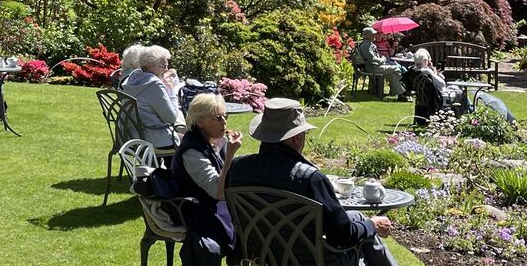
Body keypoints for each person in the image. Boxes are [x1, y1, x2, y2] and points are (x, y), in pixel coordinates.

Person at [228, 98, 397, 266]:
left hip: (265, 256)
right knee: (366, 230)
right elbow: (342, 237)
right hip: (316, 260)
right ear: (296, 138)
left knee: (357, 217)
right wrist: (372, 225)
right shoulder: (309, 178)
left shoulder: (237, 168)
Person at [172, 93, 241, 266]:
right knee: (246, 228)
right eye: (218, 118)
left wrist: (224, 149)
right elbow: (217, 191)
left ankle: (240, 258)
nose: (224, 122)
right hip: (196, 208)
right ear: (200, 121)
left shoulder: (209, 141)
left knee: (250, 219)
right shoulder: (192, 151)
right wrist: (230, 156)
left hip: (211, 203)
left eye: (225, 116)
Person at [413, 49, 517, 126]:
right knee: (462, 94)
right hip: (440, 98)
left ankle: (471, 111)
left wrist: (435, 72)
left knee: (460, 92)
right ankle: (472, 114)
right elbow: (442, 84)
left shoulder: (414, 73)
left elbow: (440, 79)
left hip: (429, 99)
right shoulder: (426, 72)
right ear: (426, 61)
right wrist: (432, 71)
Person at [120, 45, 186, 156]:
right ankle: (175, 172)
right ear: (151, 66)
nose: (166, 69)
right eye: (163, 66)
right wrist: (173, 92)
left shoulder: (133, 78)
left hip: (130, 136)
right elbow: (171, 118)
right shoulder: (154, 84)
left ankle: (165, 171)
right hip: (154, 139)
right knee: (193, 141)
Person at [352, 27, 406, 100]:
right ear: (368, 35)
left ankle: (401, 95)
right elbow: (372, 59)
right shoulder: (365, 45)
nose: (375, 35)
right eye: (373, 34)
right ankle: (401, 92)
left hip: (375, 66)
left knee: (393, 74)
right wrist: (383, 60)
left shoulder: (369, 44)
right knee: (396, 69)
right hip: (371, 67)